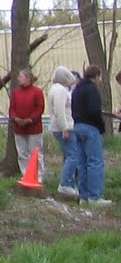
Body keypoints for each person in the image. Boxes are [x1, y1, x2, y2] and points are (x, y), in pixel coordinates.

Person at [70, 65, 111, 207]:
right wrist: (101, 125)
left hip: (78, 127)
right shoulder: (92, 89)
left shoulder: (77, 89)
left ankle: (84, 196)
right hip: (91, 128)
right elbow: (95, 111)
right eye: (100, 77)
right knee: (95, 162)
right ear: (96, 76)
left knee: (82, 163)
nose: (100, 80)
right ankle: (95, 196)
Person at [7, 68, 45, 181]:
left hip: (34, 128)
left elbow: (40, 108)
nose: (19, 79)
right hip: (19, 128)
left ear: (28, 78)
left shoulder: (37, 92)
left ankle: (39, 176)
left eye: (21, 77)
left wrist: (30, 119)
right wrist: (15, 118)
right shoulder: (16, 93)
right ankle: (26, 174)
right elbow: (12, 108)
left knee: (36, 152)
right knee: (22, 153)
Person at [47, 67, 78, 198]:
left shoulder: (55, 89)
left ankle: (70, 184)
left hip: (59, 127)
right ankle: (65, 184)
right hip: (65, 128)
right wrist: (65, 128)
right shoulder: (60, 91)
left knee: (68, 156)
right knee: (73, 156)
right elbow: (59, 111)